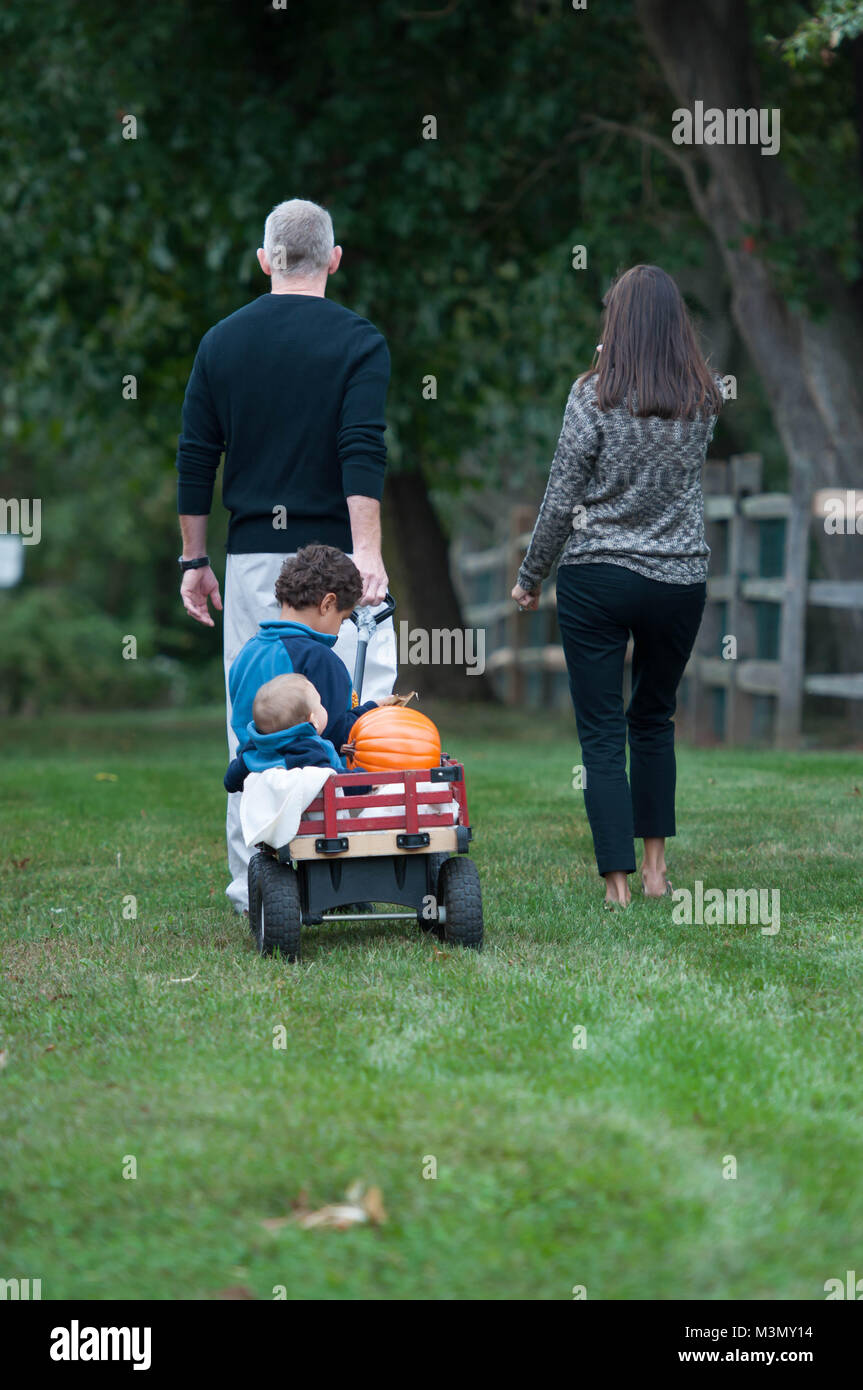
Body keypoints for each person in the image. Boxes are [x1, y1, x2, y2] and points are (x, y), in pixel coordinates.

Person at [174, 198, 397, 906]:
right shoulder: (360, 341)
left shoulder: (221, 343)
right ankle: (356, 868)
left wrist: (194, 561)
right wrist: (366, 555)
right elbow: (360, 450)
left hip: (251, 561)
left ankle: (254, 884)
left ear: (265, 260)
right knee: (357, 709)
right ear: (333, 259)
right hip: (334, 562)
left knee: (255, 716)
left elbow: (194, 458)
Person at [512, 264, 724, 909]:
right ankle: (659, 871)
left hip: (598, 576)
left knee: (602, 731)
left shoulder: (591, 396)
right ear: (676, 324)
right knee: (654, 719)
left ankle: (618, 886)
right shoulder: (705, 399)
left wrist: (530, 576)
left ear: (615, 323)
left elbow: (561, 498)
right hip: (679, 578)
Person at [224, 545, 401, 907]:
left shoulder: (246, 654)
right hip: (312, 793)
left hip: (260, 783)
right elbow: (336, 733)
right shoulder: (322, 659)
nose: (338, 630)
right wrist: (371, 710)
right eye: (342, 617)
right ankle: (351, 887)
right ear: (327, 604)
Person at [224, 673, 345, 793]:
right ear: (313, 719)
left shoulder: (253, 751)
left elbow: (230, 782)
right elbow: (336, 782)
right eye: (320, 704)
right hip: (308, 811)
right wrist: (362, 776)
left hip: (267, 811)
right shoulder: (307, 752)